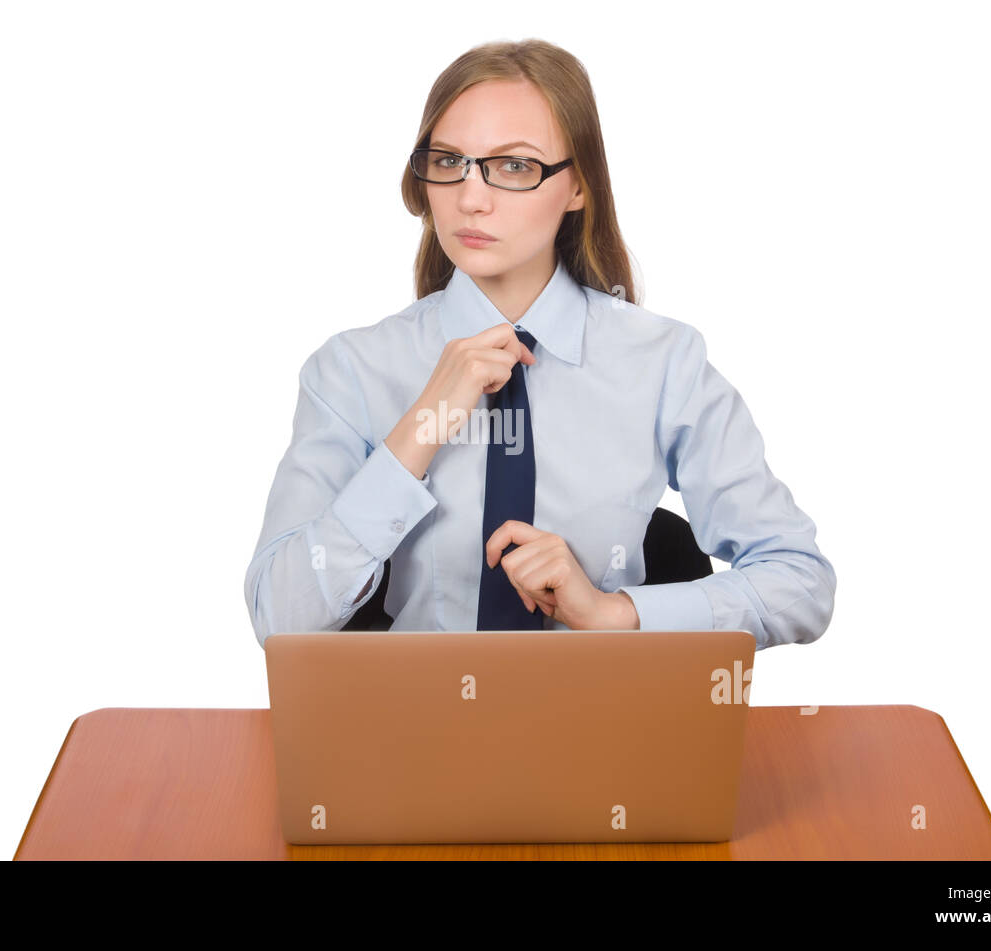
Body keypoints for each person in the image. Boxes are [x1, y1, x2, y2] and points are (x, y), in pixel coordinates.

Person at [244, 38, 835, 651]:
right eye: (448, 161)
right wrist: (422, 426)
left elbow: (801, 582)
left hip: (603, 708)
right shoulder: (351, 370)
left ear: (579, 187)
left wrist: (618, 613)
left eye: (515, 166)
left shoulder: (664, 364)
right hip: (417, 710)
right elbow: (278, 619)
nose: (470, 198)